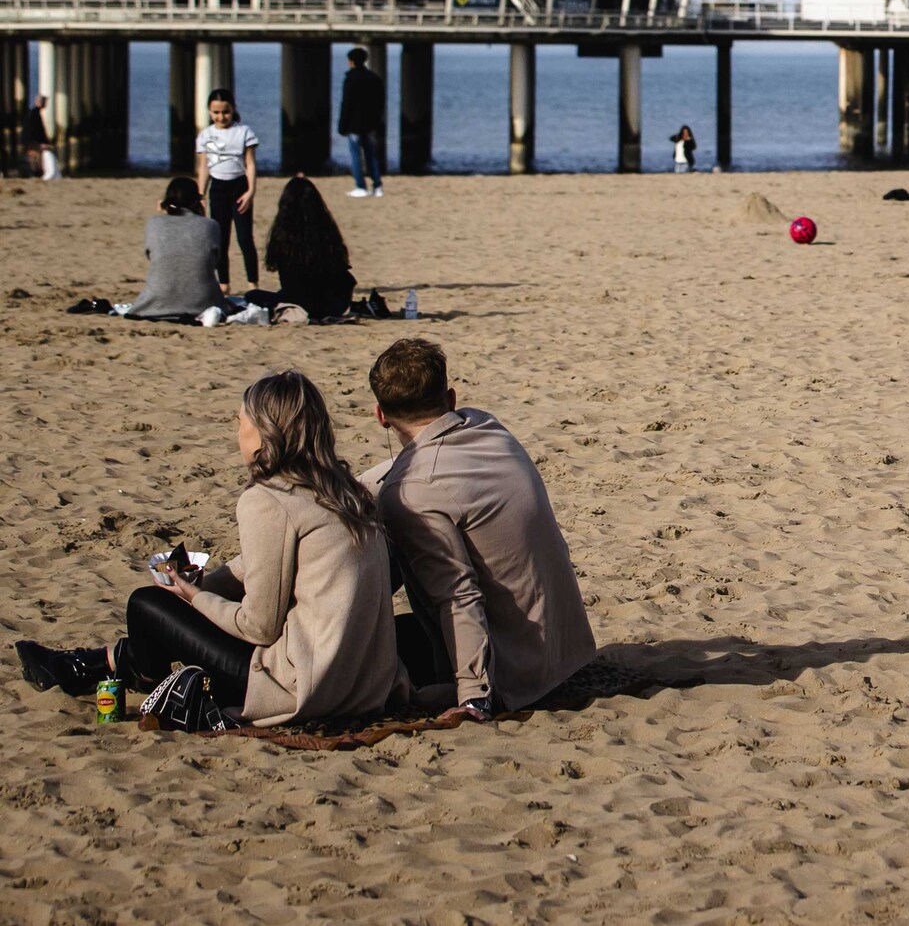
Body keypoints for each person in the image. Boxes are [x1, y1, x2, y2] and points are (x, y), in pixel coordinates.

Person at [15, 371, 401, 727]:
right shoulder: (342, 490)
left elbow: (259, 627)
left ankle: (113, 669)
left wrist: (194, 597)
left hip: (301, 689)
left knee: (145, 606)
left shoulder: (269, 500)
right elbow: (264, 564)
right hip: (363, 685)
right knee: (171, 606)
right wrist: (204, 586)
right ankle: (97, 664)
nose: (237, 433)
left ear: (265, 434)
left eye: (241, 423)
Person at [365, 340, 597, 716]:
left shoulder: (411, 492)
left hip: (512, 674)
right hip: (566, 651)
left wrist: (474, 695)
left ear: (381, 416)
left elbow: (456, 596)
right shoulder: (485, 424)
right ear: (452, 398)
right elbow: (407, 470)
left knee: (356, 652)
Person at [260, 172, 359, 320]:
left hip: (302, 303)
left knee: (253, 295)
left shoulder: (282, 235)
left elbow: (285, 277)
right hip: (335, 303)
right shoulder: (326, 230)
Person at [126, 176, 224, 322]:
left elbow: (151, 256)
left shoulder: (154, 223)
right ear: (196, 200)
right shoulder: (210, 225)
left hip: (156, 301)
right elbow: (215, 262)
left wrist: (163, 214)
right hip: (202, 301)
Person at [195, 88, 261, 290]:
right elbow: (204, 166)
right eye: (216, 112)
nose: (221, 117)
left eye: (225, 112)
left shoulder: (243, 132)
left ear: (232, 110)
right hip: (218, 188)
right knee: (220, 239)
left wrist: (250, 191)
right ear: (209, 111)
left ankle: (253, 283)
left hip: (239, 187)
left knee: (244, 238)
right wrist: (200, 194)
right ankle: (224, 283)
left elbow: (250, 164)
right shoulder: (206, 135)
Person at [338, 47, 385, 198]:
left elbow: (346, 104)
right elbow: (380, 102)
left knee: (356, 156)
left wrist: (342, 125)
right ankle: (377, 186)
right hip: (370, 124)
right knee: (371, 155)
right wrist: (377, 122)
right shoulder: (374, 78)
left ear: (351, 62)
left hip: (354, 124)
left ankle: (360, 186)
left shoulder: (350, 79)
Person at [23, 93, 56, 180]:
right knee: (40, 158)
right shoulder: (34, 114)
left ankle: (44, 174)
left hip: (34, 143)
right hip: (34, 143)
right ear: (40, 102)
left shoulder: (35, 113)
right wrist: (40, 144)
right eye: (45, 102)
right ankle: (44, 174)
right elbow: (33, 132)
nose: (46, 104)